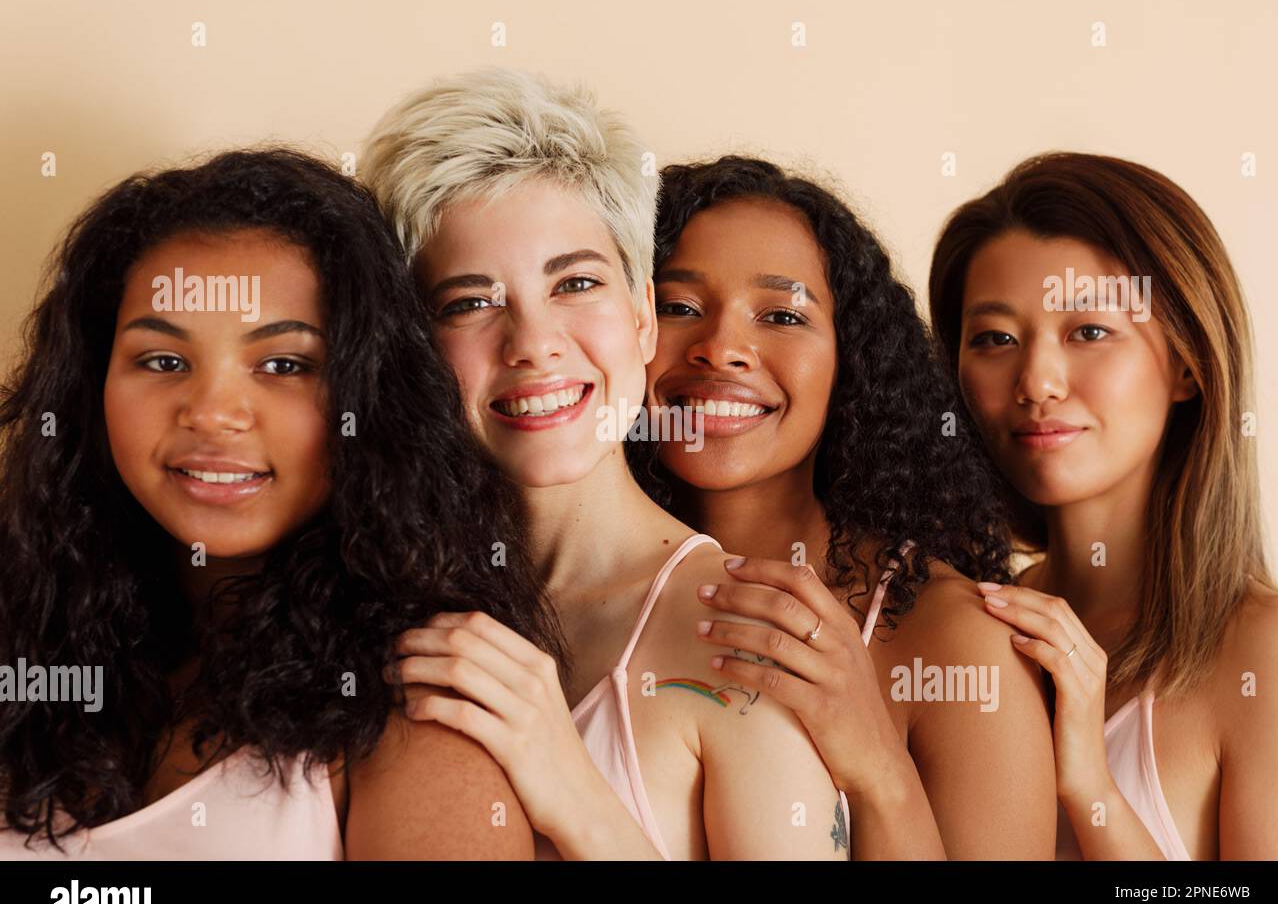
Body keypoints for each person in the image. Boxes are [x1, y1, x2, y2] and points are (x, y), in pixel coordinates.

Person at [0, 149, 558, 859]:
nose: (213, 413)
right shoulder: (30, 649)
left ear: (371, 399)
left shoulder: (423, 699)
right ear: (91, 386)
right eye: (164, 361)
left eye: (285, 365)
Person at [366, 68, 845, 859]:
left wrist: (577, 796)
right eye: (470, 302)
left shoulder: (743, 640)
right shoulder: (382, 604)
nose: (534, 344)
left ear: (644, 318)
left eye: (576, 283)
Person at [633, 155, 1056, 858]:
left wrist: (876, 764)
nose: (722, 349)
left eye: (782, 315)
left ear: (851, 362)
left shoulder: (952, 640)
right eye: (679, 307)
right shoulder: (560, 595)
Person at [929, 151, 1278, 859]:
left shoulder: (1273, 653)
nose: (1036, 380)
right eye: (995, 339)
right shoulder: (959, 625)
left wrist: (1090, 786)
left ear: (1189, 364)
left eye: (1089, 332)